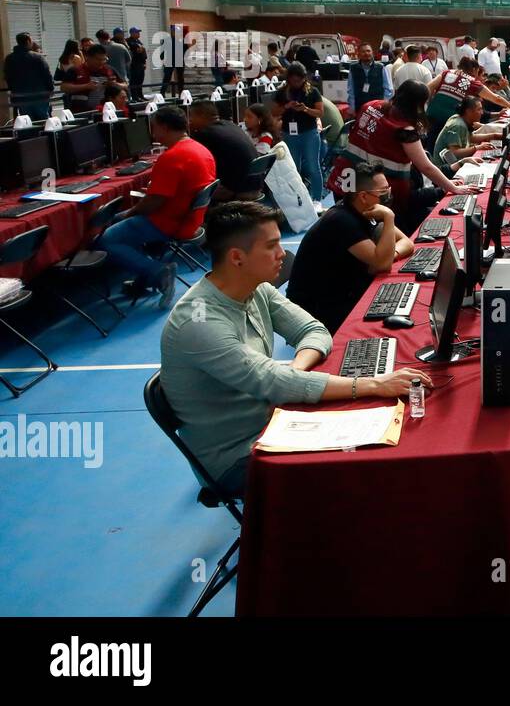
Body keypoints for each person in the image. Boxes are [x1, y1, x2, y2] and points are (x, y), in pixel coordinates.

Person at [162, 201, 432, 496]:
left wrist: (296, 369)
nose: (283, 254)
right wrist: (375, 383)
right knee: (367, 466)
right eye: (272, 246)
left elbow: (314, 331)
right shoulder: (198, 322)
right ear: (237, 257)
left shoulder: (256, 287)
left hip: (279, 419)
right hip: (240, 456)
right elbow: (273, 382)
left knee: (380, 439)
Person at [97, 105, 216, 308]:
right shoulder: (201, 149)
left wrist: (132, 212)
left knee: (107, 238)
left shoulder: (171, 157)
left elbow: (155, 201)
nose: (152, 133)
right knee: (120, 221)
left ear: (164, 127)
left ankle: (157, 271)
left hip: (169, 221)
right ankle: (143, 278)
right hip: (190, 218)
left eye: (154, 128)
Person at [327, 79, 474, 235]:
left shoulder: (370, 106)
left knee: (347, 229)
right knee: (367, 235)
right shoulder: (404, 129)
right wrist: (452, 188)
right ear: (418, 105)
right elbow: (425, 167)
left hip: (345, 180)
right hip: (373, 194)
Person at [287, 163, 415, 333]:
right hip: (319, 309)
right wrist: (389, 218)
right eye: (383, 192)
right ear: (363, 196)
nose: (388, 195)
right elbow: (382, 264)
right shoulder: (342, 221)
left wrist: (391, 253)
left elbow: (407, 243)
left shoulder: (365, 210)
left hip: (344, 291)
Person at [189, 100, 260, 202]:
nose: (190, 120)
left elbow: (196, 163)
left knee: (190, 192)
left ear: (201, 116)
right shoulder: (230, 125)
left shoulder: (205, 134)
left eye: (192, 116)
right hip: (254, 186)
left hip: (239, 191)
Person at [426, 56, 510, 136]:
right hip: (449, 119)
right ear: (474, 70)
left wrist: (430, 104)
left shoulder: (446, 73)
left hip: (431, 113)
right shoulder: (473, 83)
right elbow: (496, 98)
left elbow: (427, 89)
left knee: (432, 145)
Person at [274, 62, 325, 203]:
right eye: (293, 80)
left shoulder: (312, 92)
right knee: (293, 168)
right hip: (289, 133)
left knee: (313, 167)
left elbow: (320, 113)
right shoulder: (282, 92)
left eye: (299, 80)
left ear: (304, 78)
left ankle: (316, 199)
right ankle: (297, 198)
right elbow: (274, 112)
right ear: (288, 78)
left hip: (309, 132)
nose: (296, 83)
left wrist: (305, 109)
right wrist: (286, 106)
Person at [432, 96, 492, 177]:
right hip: (445, 171)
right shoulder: (458, 125)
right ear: (468, 111)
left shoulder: (459, 118)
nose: (482, 112)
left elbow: (471, 137)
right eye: (479, 109)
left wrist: (494, 135)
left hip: (452, 165)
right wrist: (477, 148)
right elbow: (454, 152)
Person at [5, 32, 55, 121]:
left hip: (21, 96)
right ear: (28, 41)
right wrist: (51, 89)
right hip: (39, 95)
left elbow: (8, 77)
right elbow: (47, 74)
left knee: (27, 121)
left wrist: (13, 90)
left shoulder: (9, 58)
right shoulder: (37, 57)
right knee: (43, 121)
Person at [56, 42, 120, 112]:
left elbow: (125, 84)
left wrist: (115, 84)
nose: (101, 62)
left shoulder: (109, 70)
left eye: (104, 59)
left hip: (106, 111)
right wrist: (85, 86)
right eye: (98, 59)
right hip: (83, 111)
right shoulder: (76, 70)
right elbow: (64, 87)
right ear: (88, 57)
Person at [347, 43, 393, 109]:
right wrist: (352, 108)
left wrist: (383, 105)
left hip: (378, 107)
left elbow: (388, 89)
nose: (366, 53)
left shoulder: (381, 67)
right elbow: (351, 90)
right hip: (360, 107)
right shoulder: (353, 68)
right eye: (363, 51)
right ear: (359, 54)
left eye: (368, 51)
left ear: (372, 53)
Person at [126, 27, 148, 100]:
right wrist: (138, 50)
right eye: (137, 32)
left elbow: (143, 53)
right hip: (134, 65)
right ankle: (135, 97)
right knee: (134, 81)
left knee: (140, 81)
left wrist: (144, 63)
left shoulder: (138, 41)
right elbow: (134, 51)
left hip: (141, 64)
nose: (139, 34)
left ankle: (140, 95)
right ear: (132, 33)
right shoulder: (128, 41)